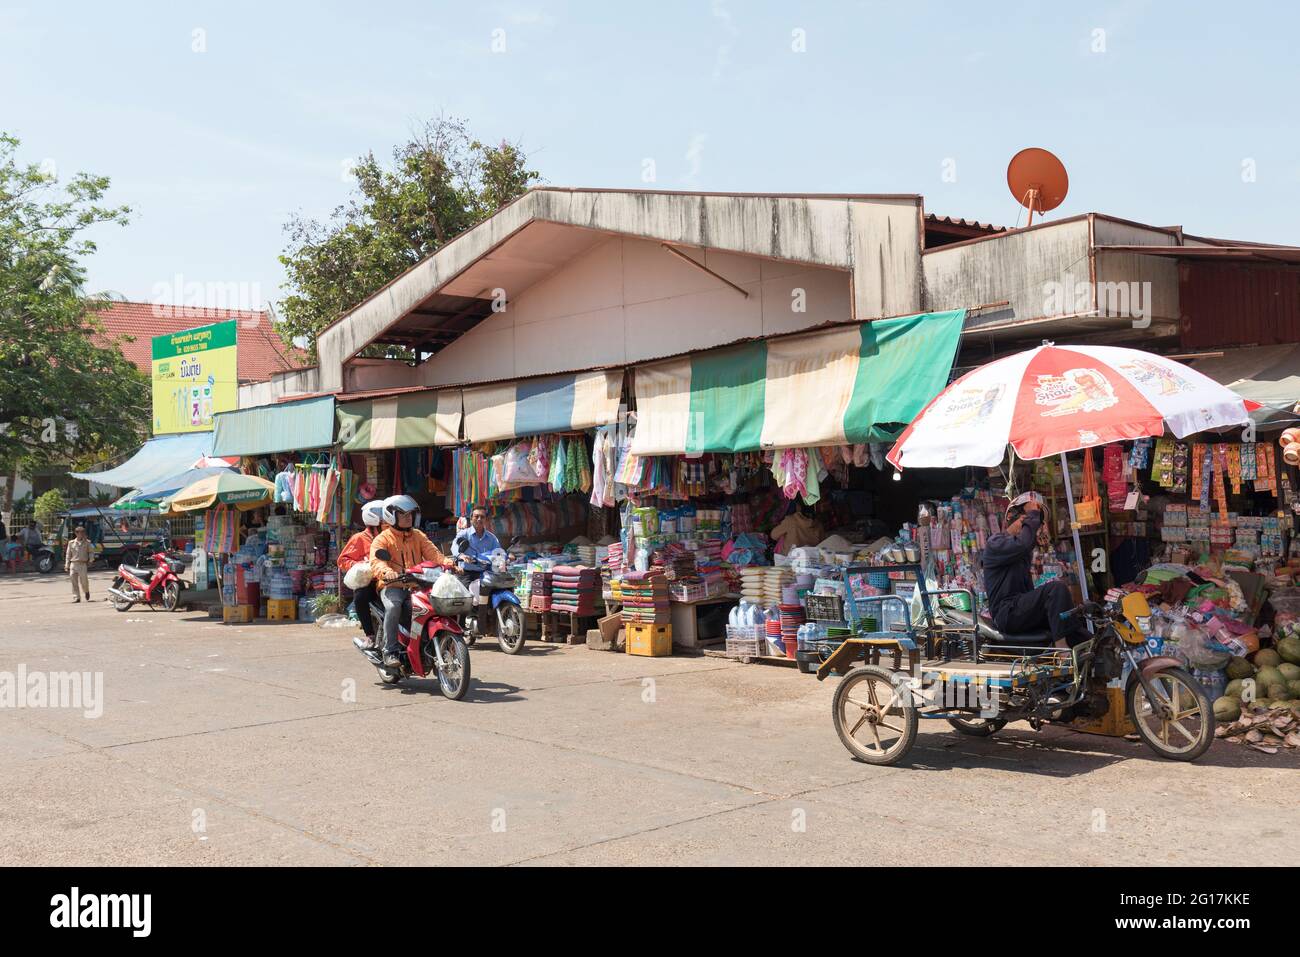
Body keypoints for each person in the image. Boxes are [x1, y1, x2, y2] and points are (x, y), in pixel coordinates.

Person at [982, 493, 1086, 648]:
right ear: (1011, 516)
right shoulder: (996, 543)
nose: (1031, 527)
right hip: (1006, 613)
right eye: (1026, 521)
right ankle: (1062, 651)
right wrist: (1032, 513)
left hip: (1019, 609)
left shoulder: (1023, 552)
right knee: (1056, 589)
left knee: (1073, 623)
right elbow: (1023, 544)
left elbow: (1024, 546)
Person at [369, 495, 454, 669]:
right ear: (392, 515)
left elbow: (433, 553)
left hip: (417, 584)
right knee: (394, 607)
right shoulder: (382, 539)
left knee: (438, 605)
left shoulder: (418, 535)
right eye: (404, 514)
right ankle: (390, 650)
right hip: (393, 585)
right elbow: (376, 562)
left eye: (411, 514)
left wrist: (448, 563)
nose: (409, 518)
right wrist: (388, 572)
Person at [338, 501, 385, 649]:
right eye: (384, 522)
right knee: (360, 597)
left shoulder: (392, 536)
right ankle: (370, 635)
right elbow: (343, 560)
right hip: (370, 582)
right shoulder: (359, 538)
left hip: (392, 579)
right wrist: (359, 565)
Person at [452, 505, 504, 602]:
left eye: (482, 517)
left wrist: (504, 559)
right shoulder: (464, 534)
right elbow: (454, 545)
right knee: (465, 600)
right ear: (471, 519)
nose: (479, 519)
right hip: (466, 574)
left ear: (486, 520)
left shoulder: (491, 538)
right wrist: (461, 555)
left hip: (484, 573)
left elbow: (498, 552)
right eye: (476, 516)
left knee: (495, 592)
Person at [65, 525, 92, 603]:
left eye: (82, 532)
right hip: (73, 564)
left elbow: (91, 552)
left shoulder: (87, 542)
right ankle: (76, 597)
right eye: (79, 532)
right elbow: (68, 554)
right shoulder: (71, 543)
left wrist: (91, 560)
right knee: (74, 582)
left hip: (82, 564)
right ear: (76, 533)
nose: (81, 534)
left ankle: (86, 591)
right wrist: (67, 565)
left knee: (84, 581)